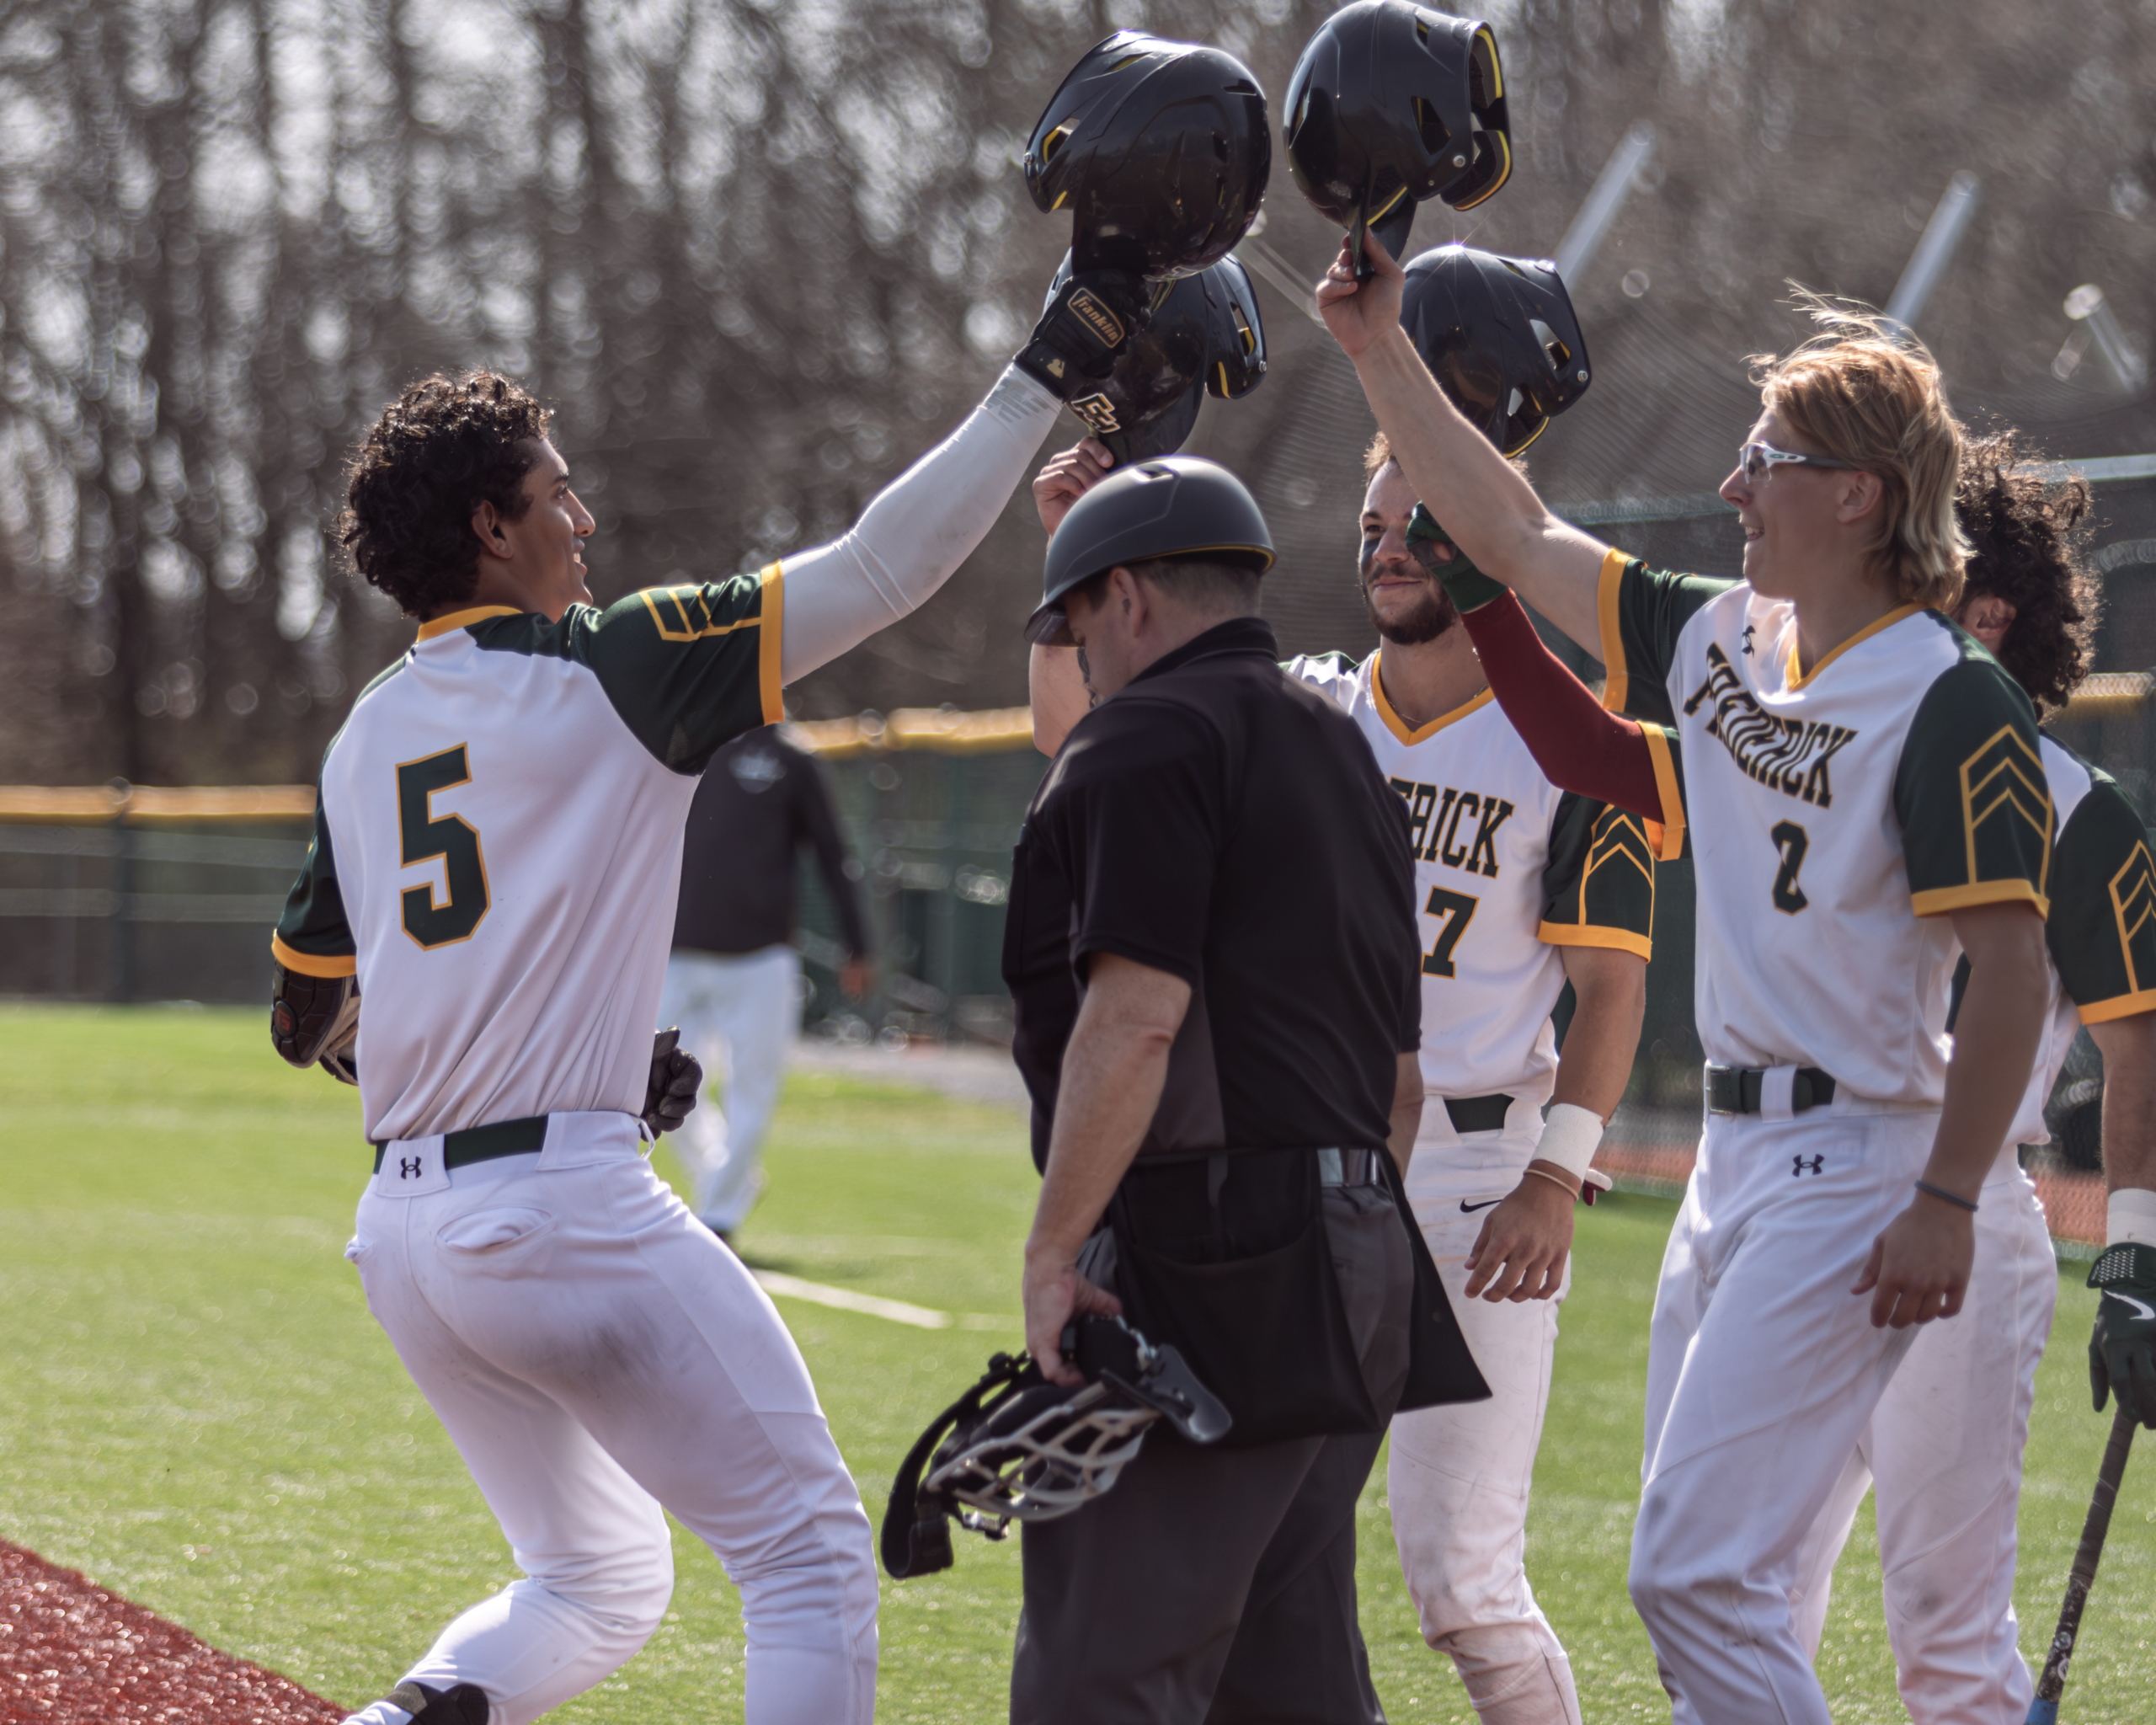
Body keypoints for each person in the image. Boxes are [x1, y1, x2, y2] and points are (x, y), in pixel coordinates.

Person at [262, 274, 1118, 1722]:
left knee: (595, 1578)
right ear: (492, 526)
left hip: (406, 1237)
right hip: (558, 1207)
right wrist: (1047, 365)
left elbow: (306, 1019)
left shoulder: (365, 736)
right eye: (558, 492)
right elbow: (884, 566)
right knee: (809, 1556)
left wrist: (543, 1050)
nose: (583, 519)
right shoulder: (618, 663)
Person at [1317, 232, 2052, 1725]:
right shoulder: (1732, 641)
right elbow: (1524, 552)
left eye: (1765, 459)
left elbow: (2014, 976)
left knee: (1698, 1579)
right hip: (1733, 1161)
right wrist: (1377, 348)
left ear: (1857, 494)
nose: (1732, 486)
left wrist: (1948, 1195)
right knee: (1717, 1595)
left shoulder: (1950, 696)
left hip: (1864, 1153)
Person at [1028, 430, 1657, 1725]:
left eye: (1421, 524)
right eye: (1372, 525)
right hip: (1329, 1162)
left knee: (1463, 1584)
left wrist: (1556, 1174)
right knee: (1268, 1569)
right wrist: (1082, 577)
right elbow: (1088, 738)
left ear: (1488, 541)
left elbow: (1613, 988)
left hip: (1481, 1164)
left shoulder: (1562, 735)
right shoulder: (1309, 701)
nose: (1388, 548)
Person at [1005, 453, 1486, 1724]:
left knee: (1098, 1678)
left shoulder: (1144, 735)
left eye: (1075, 623)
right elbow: (1401, 1083)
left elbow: (1135, 1022)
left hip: (1212, 1256)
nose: (1080, 653)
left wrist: (1054, 1253)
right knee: (1287, 1682)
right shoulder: (1343, 748)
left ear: (1126, 598)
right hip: (1364, 1259)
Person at [1784, 430, 2156, 1719]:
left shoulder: (2079, 809)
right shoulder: (1824, 751)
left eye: (1917, 573)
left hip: (1965, 1204)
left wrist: (2136, 1252)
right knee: (1735, 1595)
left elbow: (2138, 1042)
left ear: (1986, 611)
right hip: (1797, 1183)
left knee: (1944, 1643)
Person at [662, 722, 873, 1238]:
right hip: (673, 952)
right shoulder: (679, 740)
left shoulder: (793, 759)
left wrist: (859, 944)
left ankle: (719, 1218)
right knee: (656, 1081)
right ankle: (725, 1178)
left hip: (760, 957)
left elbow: (833, 853)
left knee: (753, 1087)